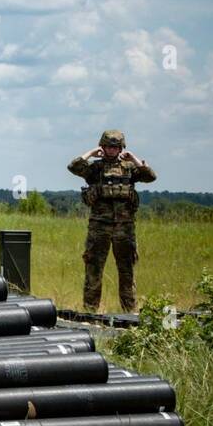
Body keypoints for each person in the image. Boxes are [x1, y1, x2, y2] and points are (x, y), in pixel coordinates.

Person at [68, 130, 156, 313]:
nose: (111, 150)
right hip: (99, 226)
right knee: (94, 268)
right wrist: (92, 153)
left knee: (126, 270)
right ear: (103, 146)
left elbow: (150, 176)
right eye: (108, 146)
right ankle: (91, 311)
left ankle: (129, 311)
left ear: (121, 148)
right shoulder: (95, 169)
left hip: (125, 227)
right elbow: (73, 167)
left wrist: (134, 158)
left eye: (115, 147)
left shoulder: (129, 168)